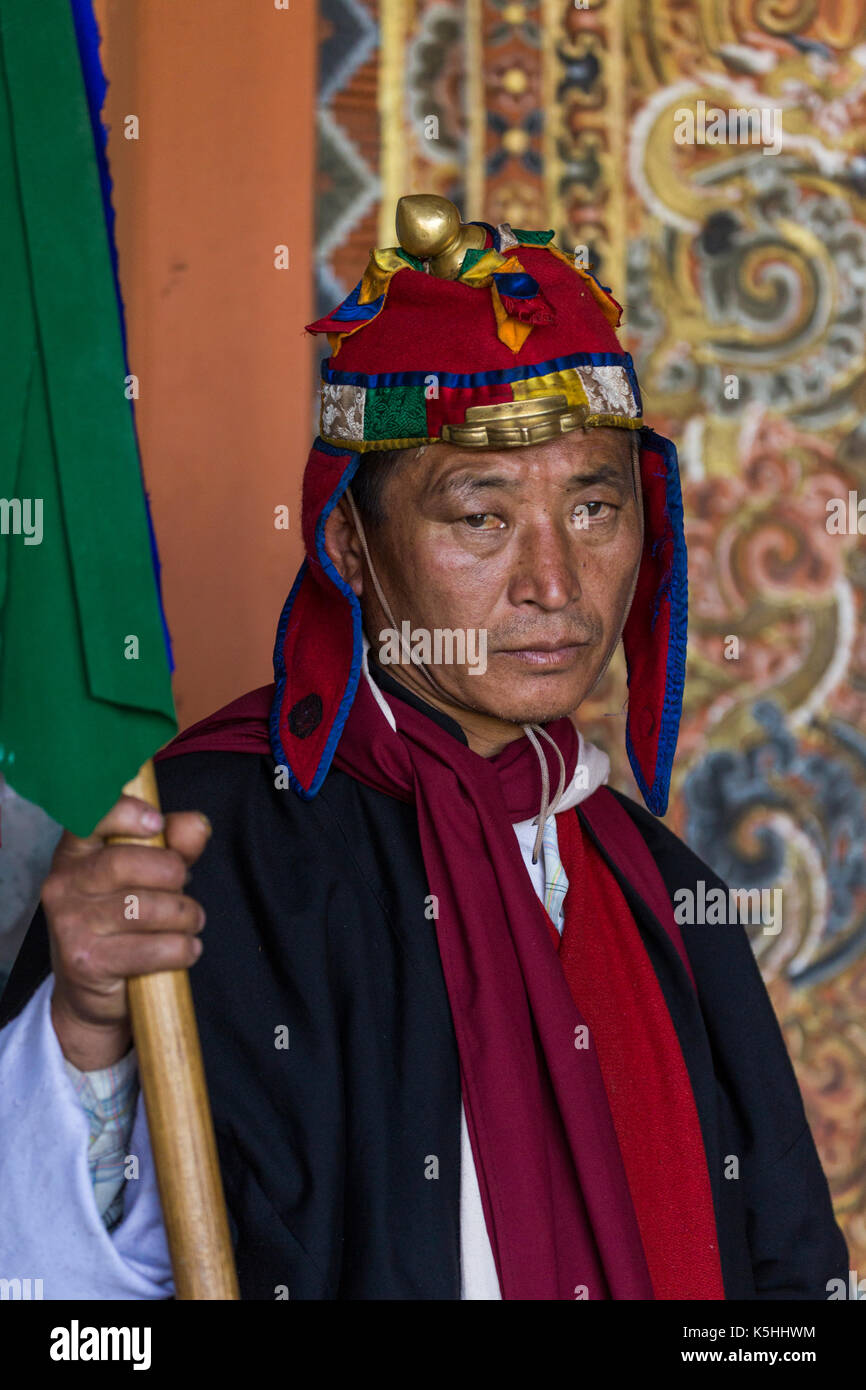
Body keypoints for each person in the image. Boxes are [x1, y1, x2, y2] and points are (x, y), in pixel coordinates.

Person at [0, 195, 848, 1300]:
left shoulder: (658, 892)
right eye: (480, 518)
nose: (553, 582)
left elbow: (779, 1282)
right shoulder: (207, 849)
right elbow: (68, 1290)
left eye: (593, 509)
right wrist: (86, 1034)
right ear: (349, 542)